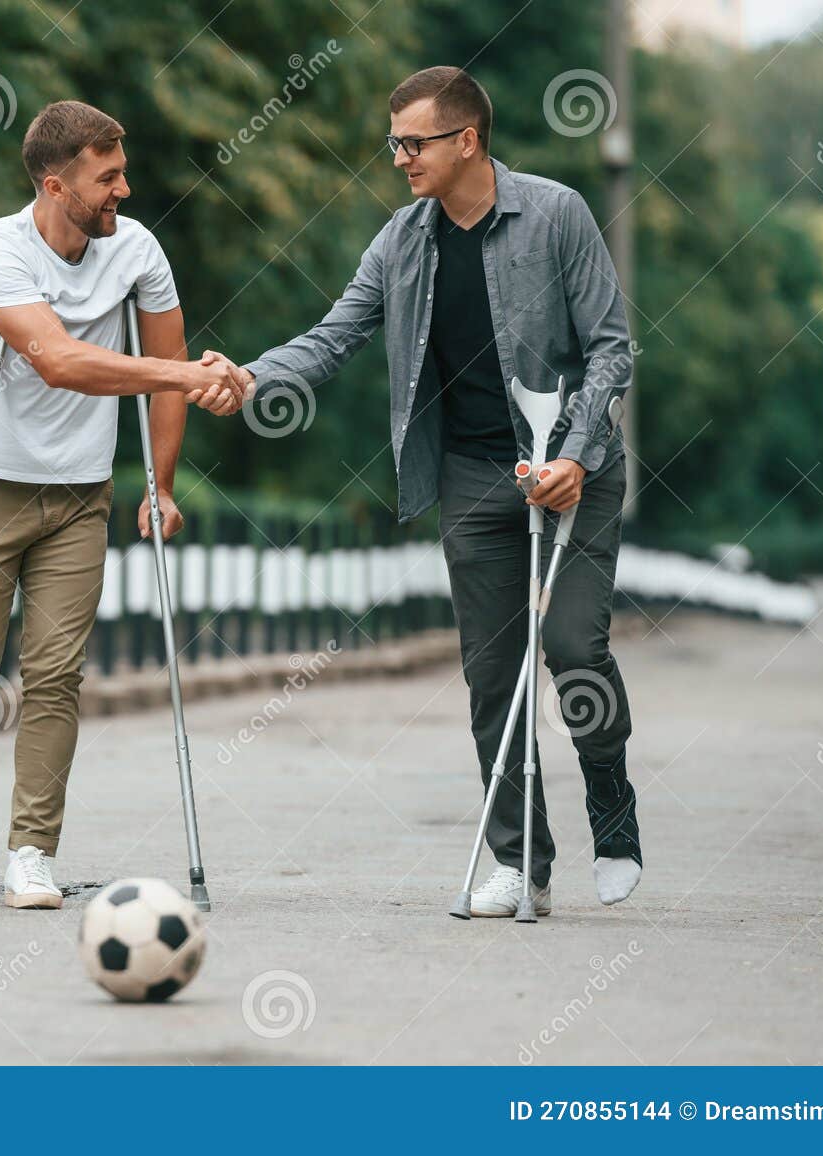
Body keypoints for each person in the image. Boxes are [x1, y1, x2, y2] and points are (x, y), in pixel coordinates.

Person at [225, 67, 642, 916]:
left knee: (572, 651)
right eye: (394, 144)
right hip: (471, 478)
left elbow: (612, 349)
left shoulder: (557, 213)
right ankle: (520, 860)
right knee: (492, 676)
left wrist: (576, 454)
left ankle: (612, 802)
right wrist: (249, 375)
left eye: (413, 143)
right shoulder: (402, 240)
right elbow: (336, 335)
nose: (399, 159)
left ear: (468, 141)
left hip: (574, 472)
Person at [0, 99, 246, 910]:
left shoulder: (137, 251)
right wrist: (184, 376)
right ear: (54, 182)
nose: (124, 191)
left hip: (80, 494)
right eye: (107, 178)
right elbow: (62, 363)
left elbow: (167, 358)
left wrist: (161, 483)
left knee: (55, 676)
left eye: (122, 173)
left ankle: (31, 850)